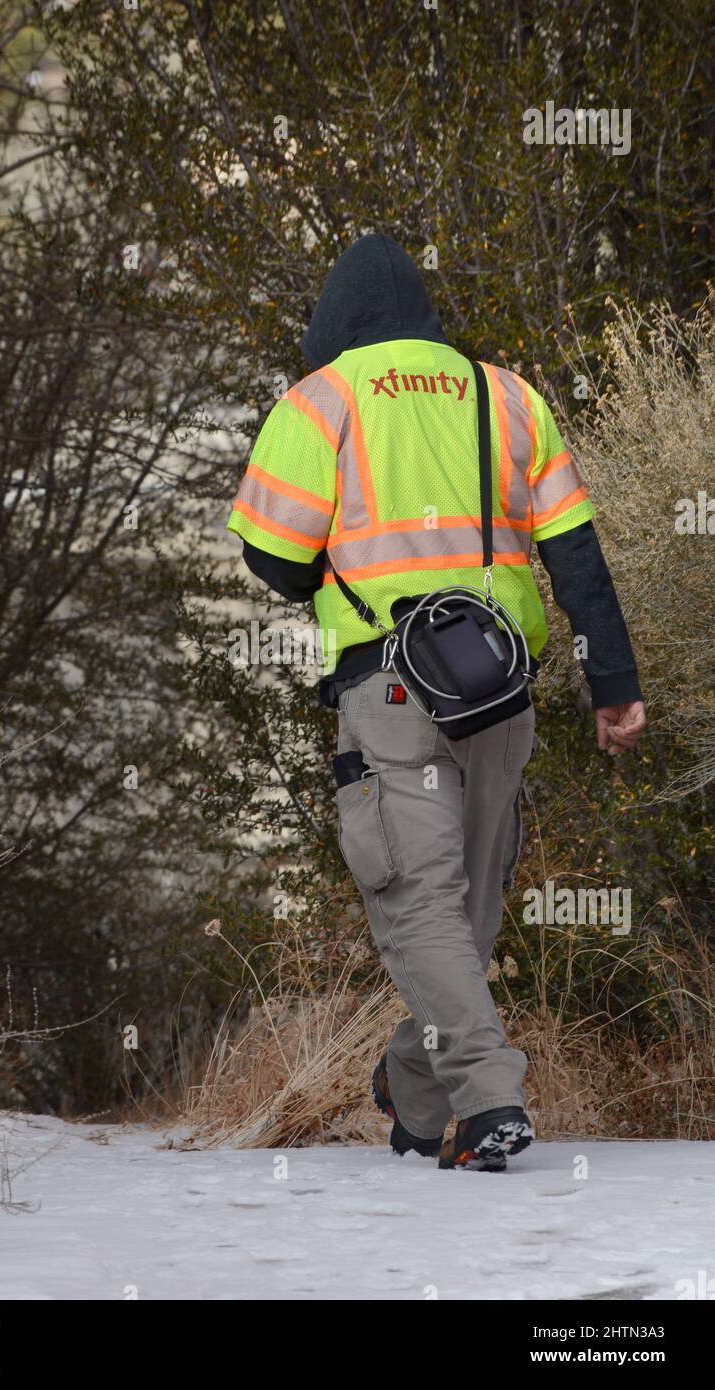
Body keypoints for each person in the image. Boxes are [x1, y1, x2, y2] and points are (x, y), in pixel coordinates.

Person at [226, 233, 646, 1171]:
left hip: (391, 682)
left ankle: (488, 1100)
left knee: (422, 905)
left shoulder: (321, 400)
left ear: (333, 321)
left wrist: (343, 570)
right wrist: (612, 686)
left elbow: (273, 558)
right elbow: (576, 554)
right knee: (470, 906)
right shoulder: (507, 395)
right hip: (501, 683)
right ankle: (418, 1100)